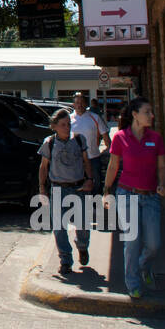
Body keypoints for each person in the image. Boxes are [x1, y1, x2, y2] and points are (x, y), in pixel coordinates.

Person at [104, 96, 165, 299]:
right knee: (132, 242)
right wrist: (106, 191)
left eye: (151, 111)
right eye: (147, 111)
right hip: (127, 194)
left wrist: (162, 184)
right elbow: (113, 165)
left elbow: (162, 166)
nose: (151, 115)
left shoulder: (156, 138)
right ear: (135, 115)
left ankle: (143, 265)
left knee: (154, 244)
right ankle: (132, 283)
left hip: (150, 197)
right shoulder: (120, 137)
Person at [38, 109, 94, 275]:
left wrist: (90, 179)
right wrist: (42, 187)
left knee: (83, 223)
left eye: (68, 124)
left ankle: (82, 246)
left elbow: (86, 161)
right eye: (62, 125)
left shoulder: (78, 139)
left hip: (78, 187)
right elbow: (43, 166)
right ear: (54, 126)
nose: (66, 127)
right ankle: (65, 259)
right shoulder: (49, 143)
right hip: (58, 188)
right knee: (59, 226)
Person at [69, 92, 110, 194]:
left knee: (95, 186)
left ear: (86, 104)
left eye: (82, 102)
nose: (80, 105)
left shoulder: (95, 118)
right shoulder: (68, 120)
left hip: (93, 159)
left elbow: (106, 138)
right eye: (77, 102)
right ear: (73, 105)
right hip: (75, 160)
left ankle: (95, 207)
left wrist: (107, 151)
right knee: (76, 188)